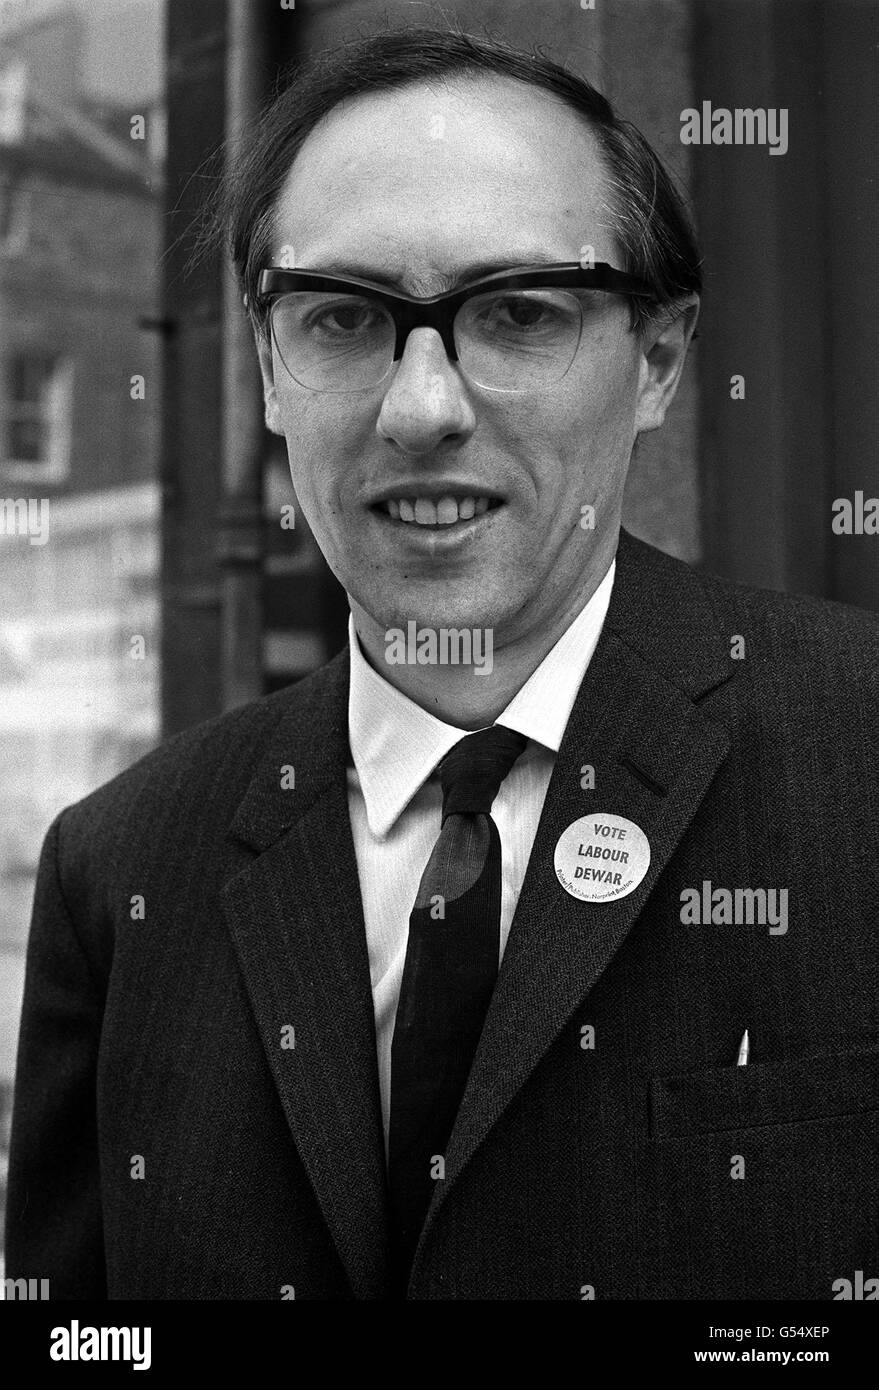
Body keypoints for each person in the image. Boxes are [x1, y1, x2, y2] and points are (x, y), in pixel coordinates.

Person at [5, 28, 878, 1301]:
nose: (422, 408)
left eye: (519, 312)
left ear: (660, 360)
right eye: (346, 318)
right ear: (267, 371)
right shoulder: (124, 868)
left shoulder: (859, 754)